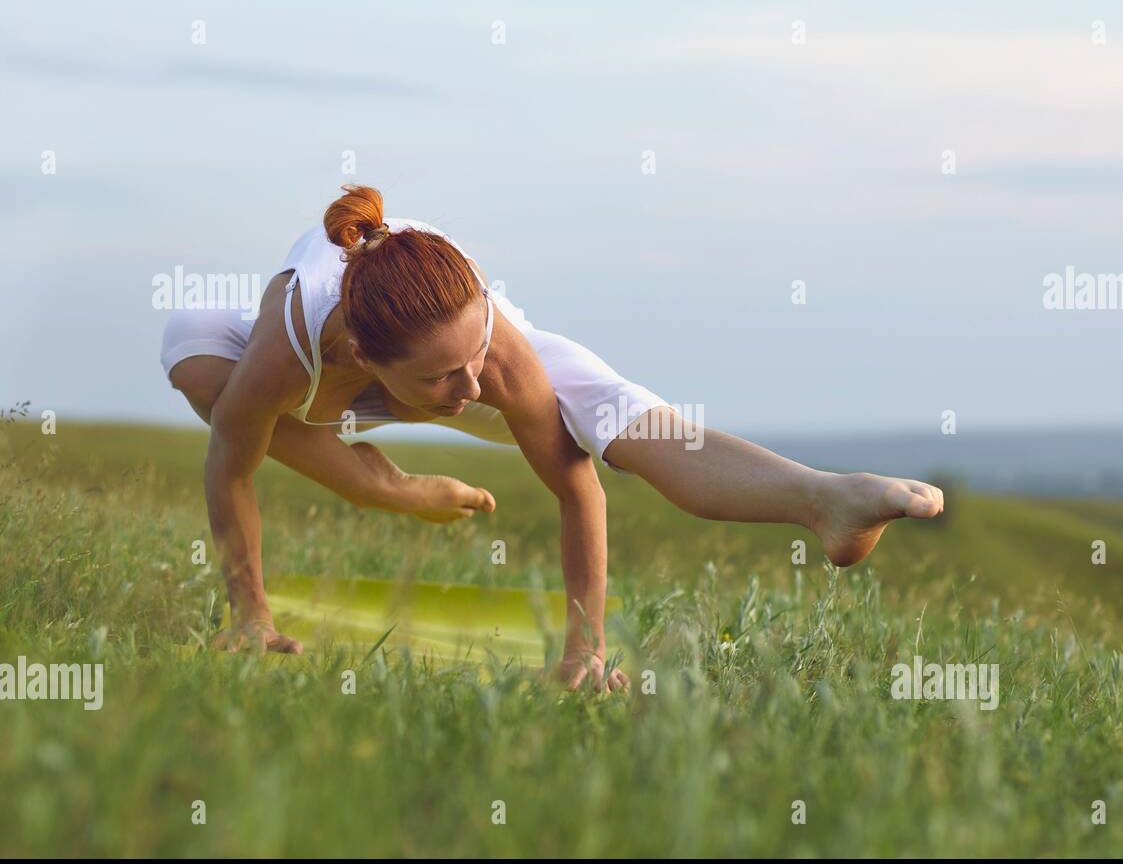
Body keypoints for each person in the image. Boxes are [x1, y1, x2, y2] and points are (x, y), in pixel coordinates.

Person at [160, 185, 944, 691]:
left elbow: (576, 487)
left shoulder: (492, 355)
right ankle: (379, 482)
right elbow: (230, 469)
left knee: (623, 420)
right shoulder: (284, 343)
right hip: (334, 384)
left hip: (456, 344)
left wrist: (585, 650)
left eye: (472, 364)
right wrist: (250, 615)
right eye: (445, 382)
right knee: (198, 364)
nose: (467, 395)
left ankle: (822, 498)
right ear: (364, 357)